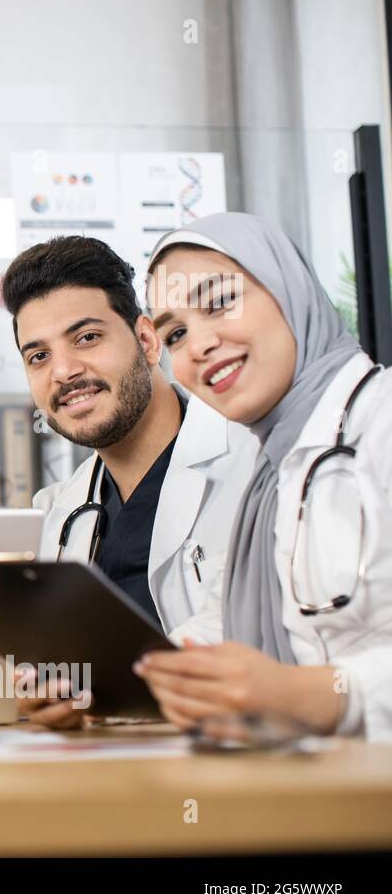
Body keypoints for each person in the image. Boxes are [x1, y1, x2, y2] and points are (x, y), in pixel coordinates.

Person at [135, 212, 392, 742]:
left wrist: (312, 696)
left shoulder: (381, 421)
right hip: (313, 796)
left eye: (220, 301)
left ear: (287, 290)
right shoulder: (268, 476)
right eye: (177, 333)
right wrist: (105, 683)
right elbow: (221, 627)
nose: (199, 344)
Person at [0, 235, 258, 728]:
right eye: (38, 356)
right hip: (108, 773)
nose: (65, 371)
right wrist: (47, 697)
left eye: (87, 338)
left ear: (146, 339)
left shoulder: (250, 464)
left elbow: (255, 638)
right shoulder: (58, 513)